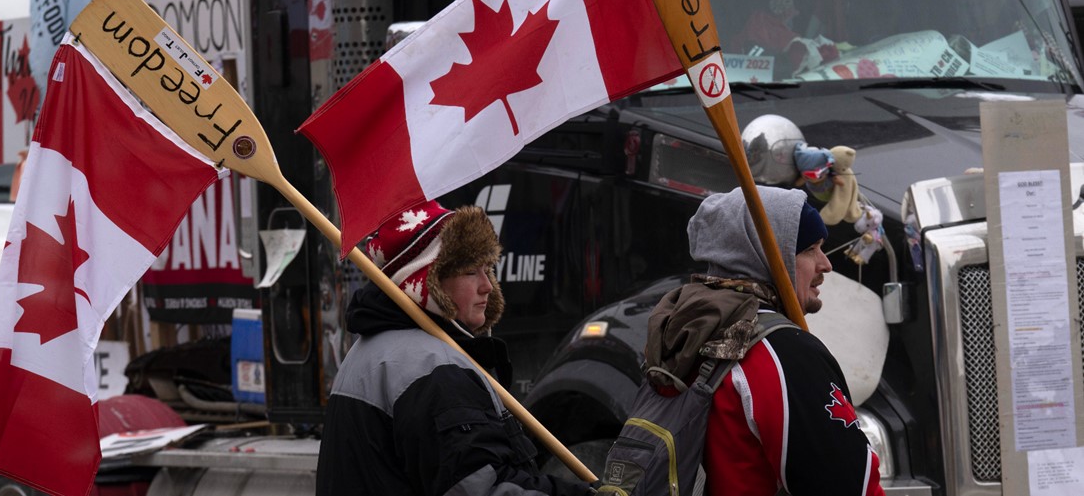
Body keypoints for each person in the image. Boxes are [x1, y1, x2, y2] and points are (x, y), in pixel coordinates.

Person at [317, 200, 594, 496]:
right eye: (470, 271)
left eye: (488, 269)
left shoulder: (371, 350)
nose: (487, 285)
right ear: (426, 280)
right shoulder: (433, 370)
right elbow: (483, 489)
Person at [647, 186, 883, 496]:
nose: (826, 264)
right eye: (810, 249)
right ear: (769, 256)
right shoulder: (782, 353)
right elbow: (852, 487)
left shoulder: (682, 332)